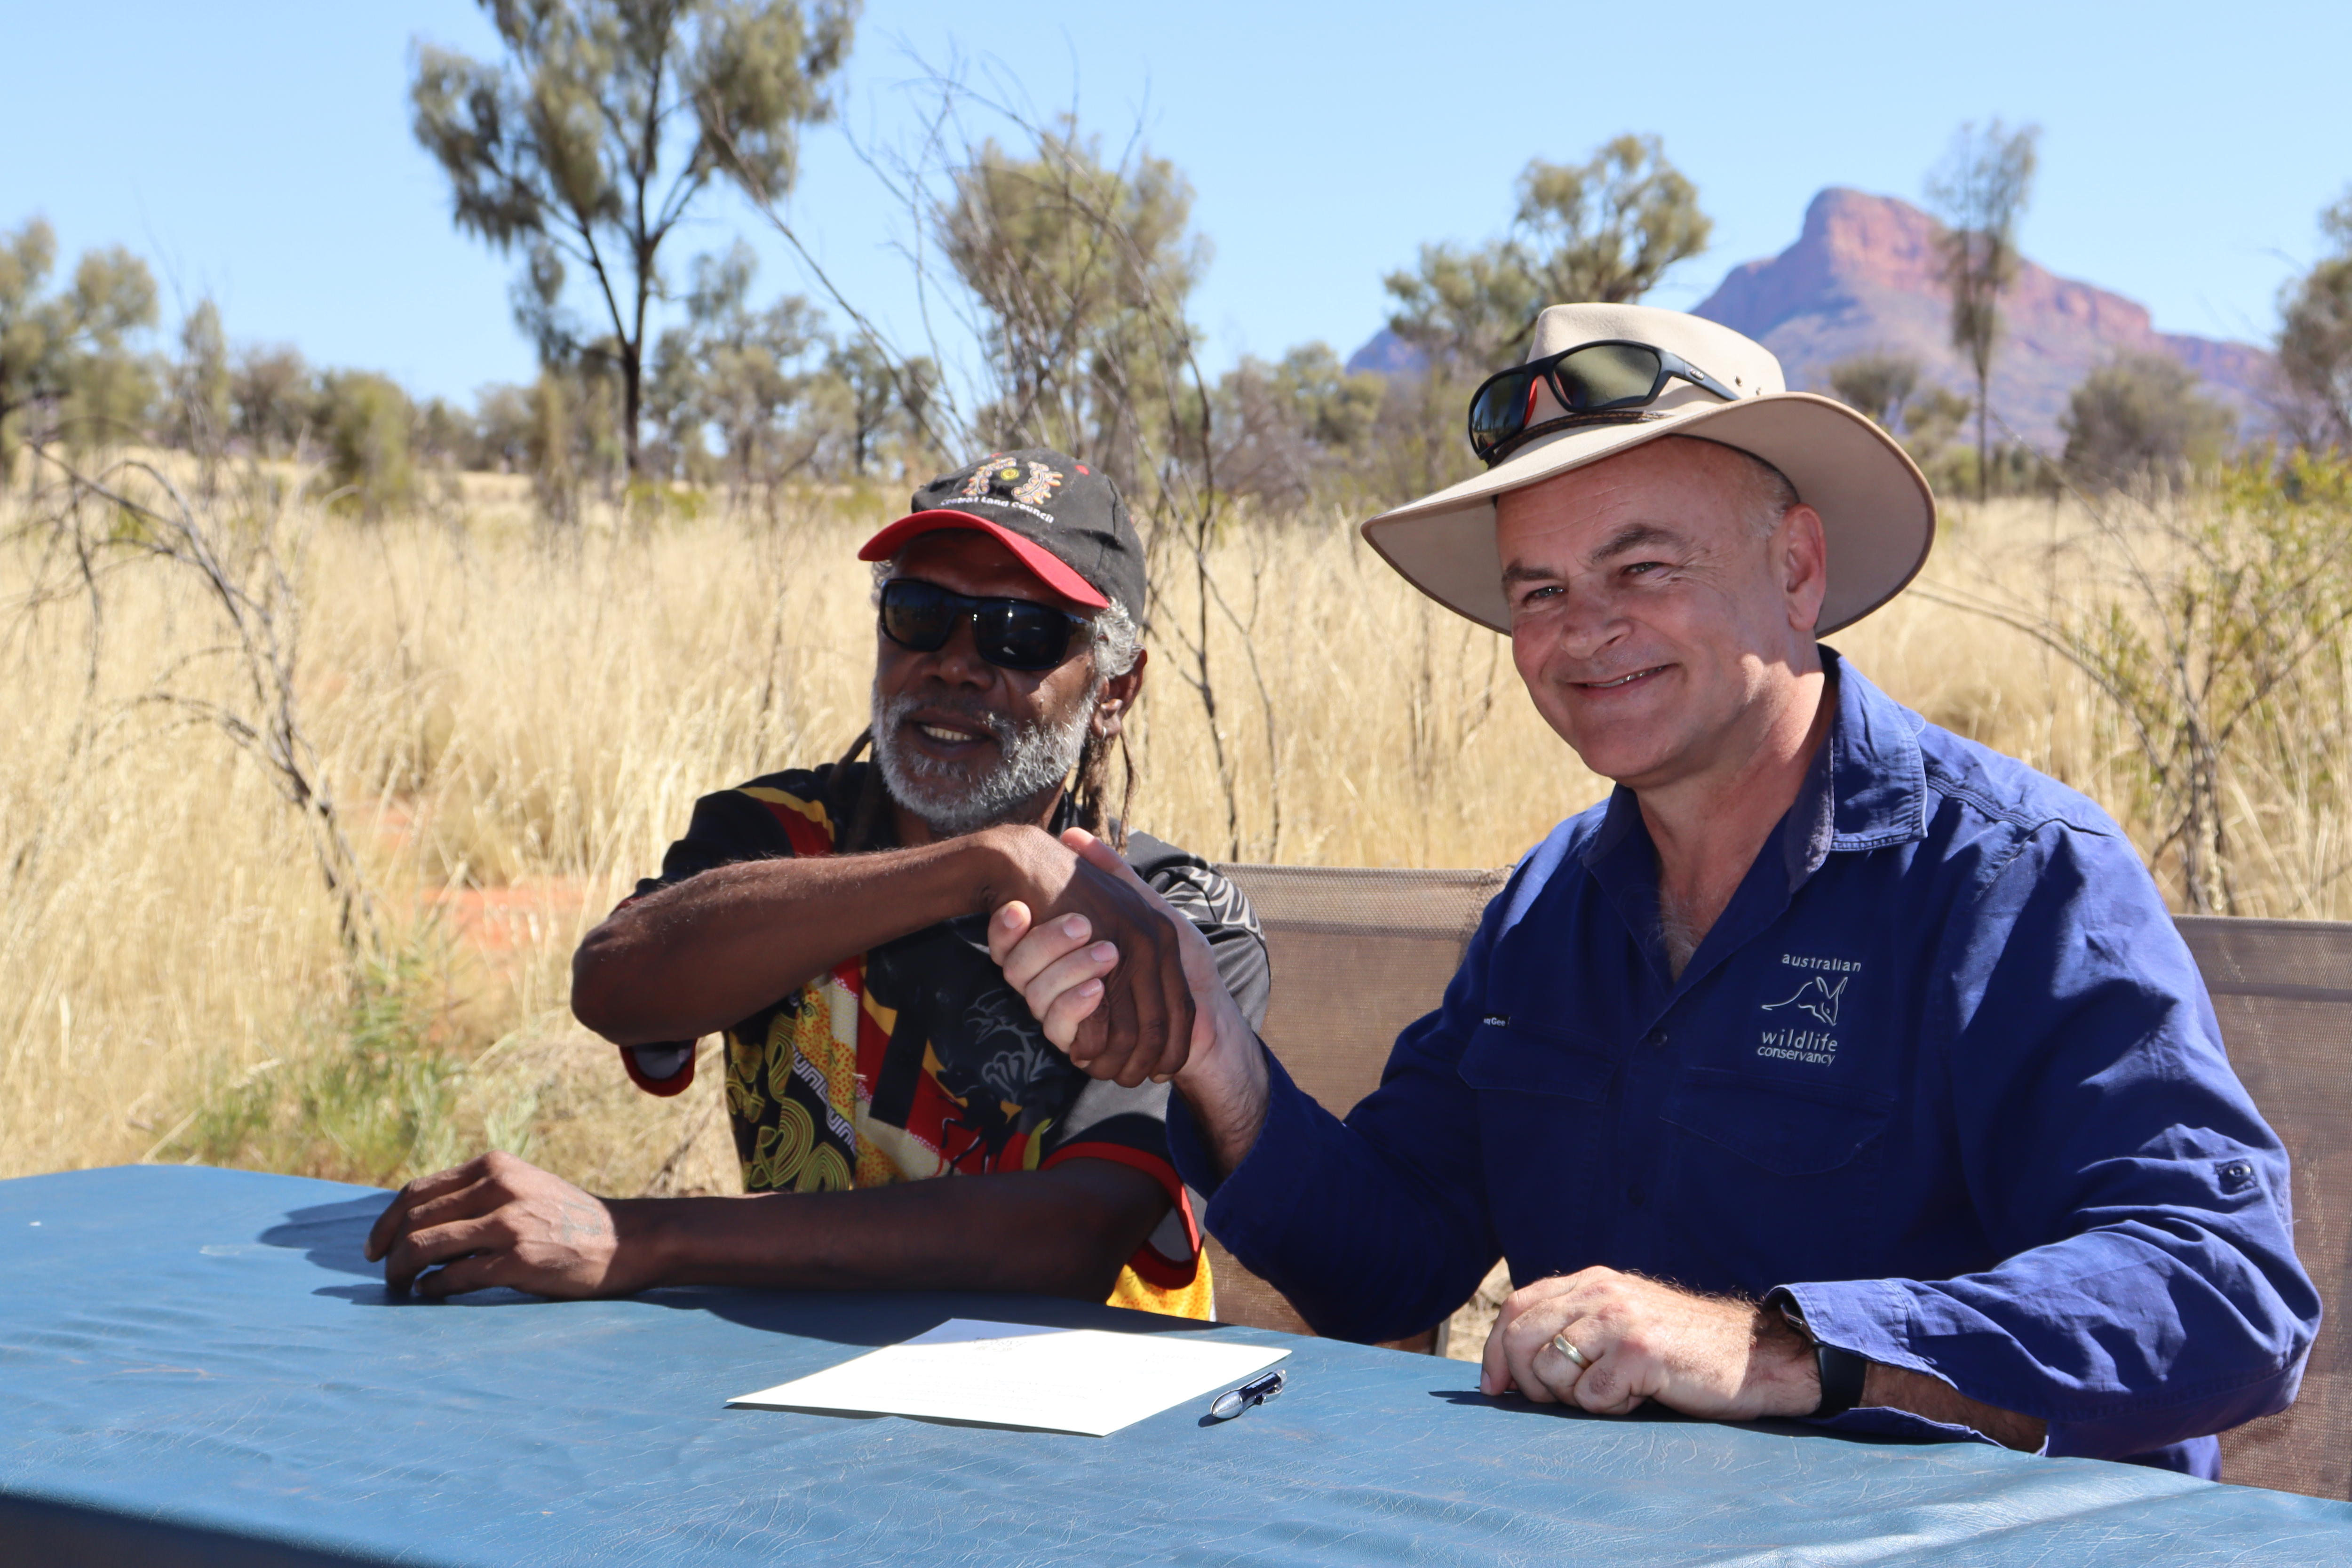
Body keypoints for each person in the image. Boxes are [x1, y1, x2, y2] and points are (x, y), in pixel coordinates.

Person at [991, 306, 2320, 1475]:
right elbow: (1393, 1259)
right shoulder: (1553, 908)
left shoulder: (2012, 874)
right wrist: (1215, 1054)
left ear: (1796, 568)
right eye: (1542, 590)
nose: (1585, 632)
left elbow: (2226, 1291)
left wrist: (1783, 1348)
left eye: (1644, 569)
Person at [366, 447, 1270, 1319]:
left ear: (1114, 691)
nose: (955, 662)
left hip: (1071, 1421)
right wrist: (982, 865)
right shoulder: (778, 835)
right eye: (920, 613)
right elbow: (613, 987)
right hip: (775, 1373)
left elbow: (1069, 1240)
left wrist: (652, 1237)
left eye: (1021, 633)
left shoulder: (1172, 920)